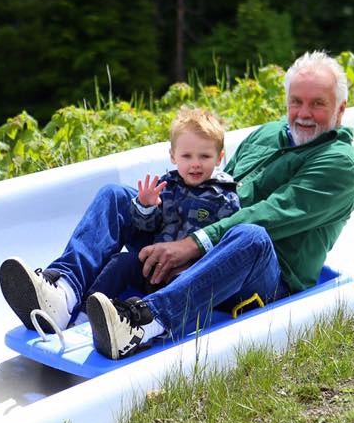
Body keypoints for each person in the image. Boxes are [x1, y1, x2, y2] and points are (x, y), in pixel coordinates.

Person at [0, 50, 354, 361]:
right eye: (296, 101)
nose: (303, 113)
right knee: (116, 196)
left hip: (263, 274)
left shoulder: (338, 163)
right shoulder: (268, 133)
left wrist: (192, 244)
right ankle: (63, 296)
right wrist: (161, 207)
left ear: (340, 109)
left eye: (318, 103)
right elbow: (217, 186)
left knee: (251, 235)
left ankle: (144, 324)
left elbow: (268, 215)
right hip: (204, 243)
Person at [82, 107, 240, 302]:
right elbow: (147, 227)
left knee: (182, 282)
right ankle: (86, 314)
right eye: (187, 156)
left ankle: (151, 316)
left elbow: (227, 241)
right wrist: (147, 206)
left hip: (190, 273)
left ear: (219, 158)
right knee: (121, 262)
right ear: (173, 156)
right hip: (153, 266)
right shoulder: (167, 186)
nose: (195, 163)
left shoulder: (224, 196)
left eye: (204, 156)